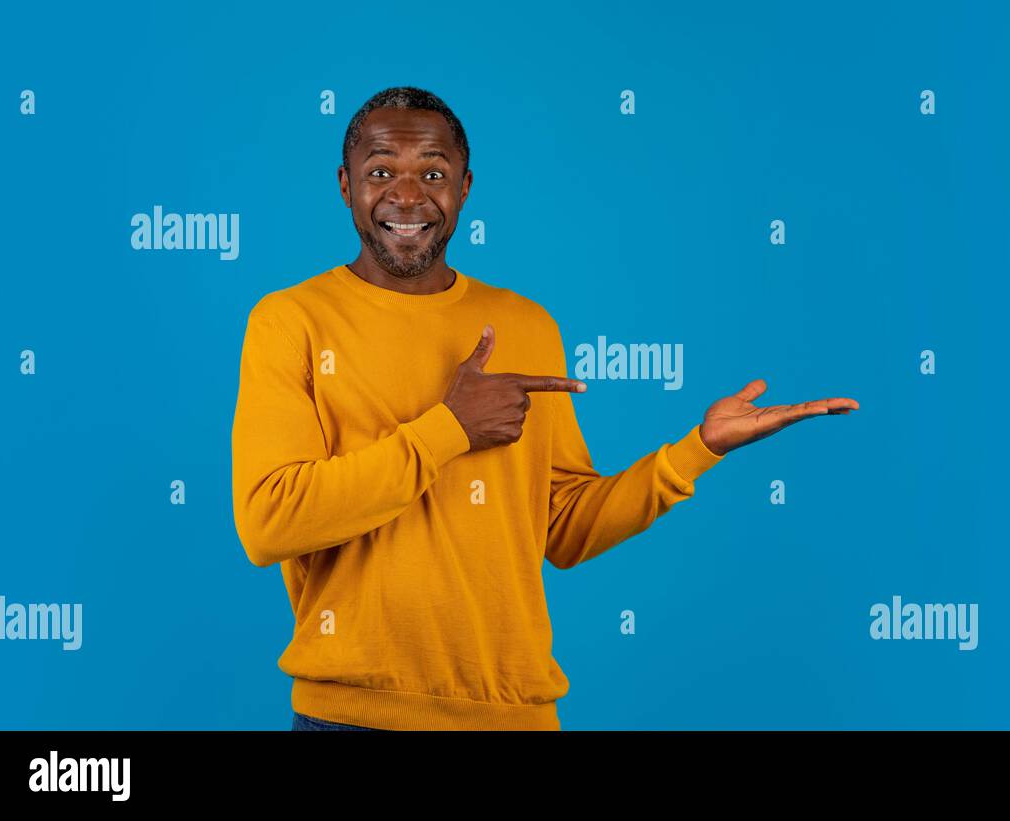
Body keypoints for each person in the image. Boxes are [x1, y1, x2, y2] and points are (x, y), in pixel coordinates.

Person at [231, 86, 859, 731]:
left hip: (517, 716)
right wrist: (449, 429)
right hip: (351, 719)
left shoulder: (525, 324)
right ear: (345, 184)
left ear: (466, 188)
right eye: (382, 170)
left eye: (435, 173)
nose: (408, 195)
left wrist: (698, 450)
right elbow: (270, 522)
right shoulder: (291, 321)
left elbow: (563, 527)